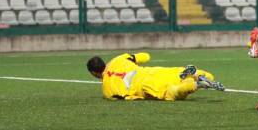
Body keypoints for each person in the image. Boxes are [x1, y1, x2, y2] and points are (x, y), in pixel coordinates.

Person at [87, 52, 224, 101]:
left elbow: (118, 98)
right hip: (151, 71)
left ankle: (196, 85)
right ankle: (198, 75)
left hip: (145, 85)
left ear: (94, 73)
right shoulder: (119, 59)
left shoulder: (106, 88)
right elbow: (146, 56)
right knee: (178, 73)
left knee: (171, 93)